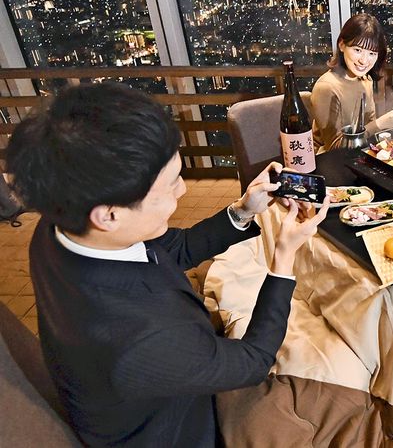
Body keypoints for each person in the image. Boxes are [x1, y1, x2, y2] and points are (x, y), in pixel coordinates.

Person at [5, 83, 330, 447]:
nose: (183, 191)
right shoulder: (137, 338)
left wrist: (244, 209)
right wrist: (284, 258)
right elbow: (252, 363)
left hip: (157, 376)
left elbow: (169, 249)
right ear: (109, 215)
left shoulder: (60, 227)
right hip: (178, 430)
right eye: (171, 183)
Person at [311, 13, 393, 150]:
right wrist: (381, 123)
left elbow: (368, 127)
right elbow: (334, 148)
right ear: (342, 45)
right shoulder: (326, 87)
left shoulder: (365, 79)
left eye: (372, 53)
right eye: (358, 50)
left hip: (360, 152)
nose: (364, 61)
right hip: (328, 161)